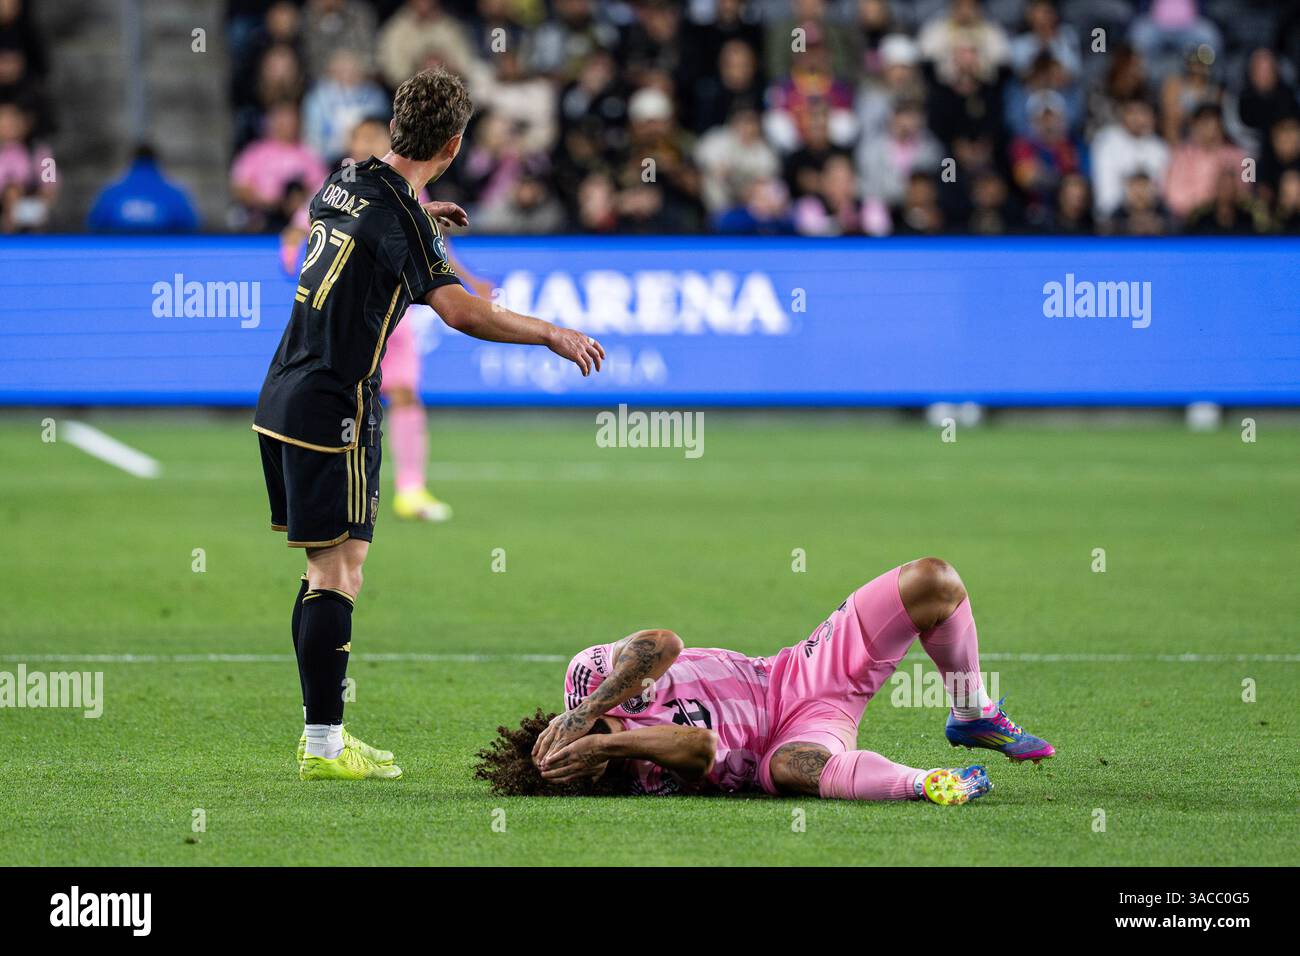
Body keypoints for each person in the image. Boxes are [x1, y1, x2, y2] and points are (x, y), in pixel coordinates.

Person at [254, 69, 605, 781]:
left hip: (283, 391)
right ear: (452, 143)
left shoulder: (348, 176)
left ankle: (322, 735)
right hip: (335, 403)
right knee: (337, 570)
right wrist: (549, 334)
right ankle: (323, 745)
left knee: (326, 564)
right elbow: (461, 310)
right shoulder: (401, 215)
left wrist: (418, 216)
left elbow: (367, 222)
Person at [477, 557, 1055, 803]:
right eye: (579, 772)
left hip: (795, 671)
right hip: (796, 736)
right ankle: (928, 782)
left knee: (933, 581)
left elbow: (664, 643)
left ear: (552, 730)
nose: (581, 760)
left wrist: (585, 718)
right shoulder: (641, 777)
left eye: (567, 753)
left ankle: (972, 711)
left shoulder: (586, 679)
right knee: (792, 770)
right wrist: (606, 746)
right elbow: (698, 747)